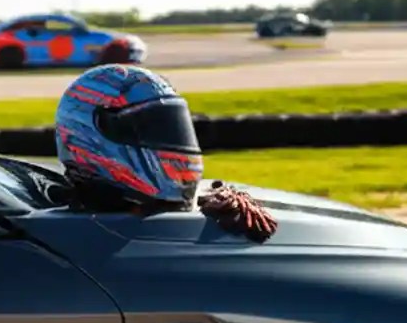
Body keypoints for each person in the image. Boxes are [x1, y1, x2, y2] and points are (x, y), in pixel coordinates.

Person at [53, 64, 278, 242]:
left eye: (172, 127)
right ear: (84, 134)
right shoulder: (79, 232)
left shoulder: (212, 204)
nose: (171, 138)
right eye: (153, 130)